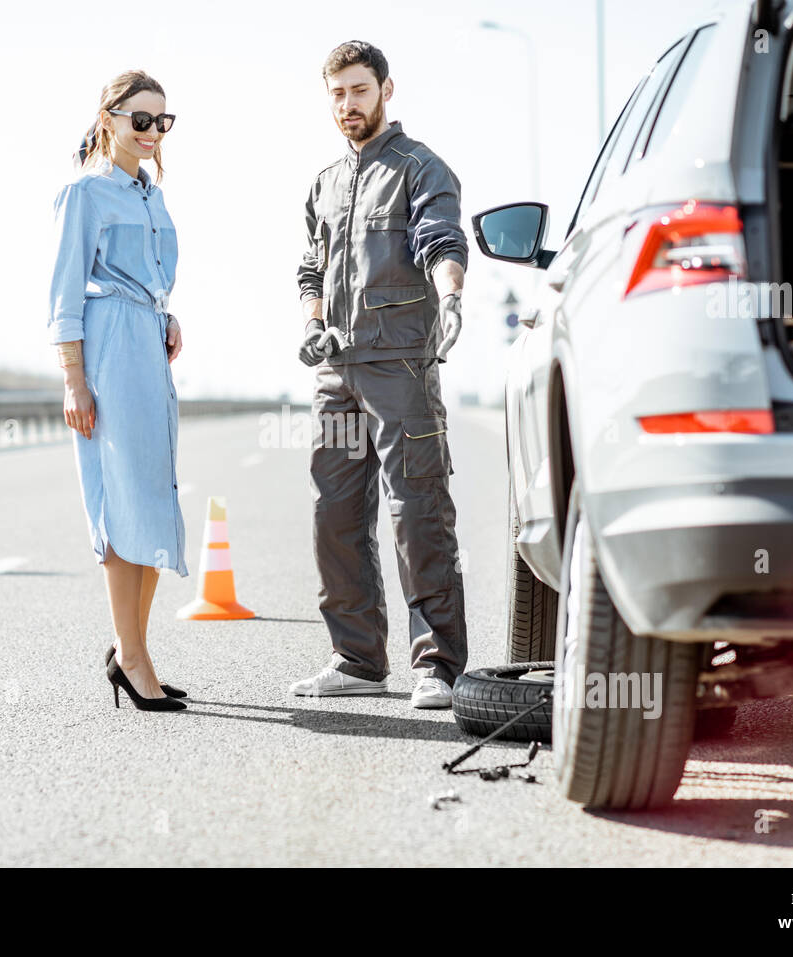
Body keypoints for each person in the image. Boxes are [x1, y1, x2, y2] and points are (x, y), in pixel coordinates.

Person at [290, 41, 469, 709]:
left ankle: (439, 664)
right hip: (336, 374)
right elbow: (310, 267)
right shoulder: (324, 182)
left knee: (416, 509)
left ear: (386, 91)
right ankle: (357, 658)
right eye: (337, 94)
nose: (348, 104)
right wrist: (312, 323)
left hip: (399, 368)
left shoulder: (421, 169)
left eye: (359, 90)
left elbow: (441, 242)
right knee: (334, 514)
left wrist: (450, 295)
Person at [48, 69, 188, 713]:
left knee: (154, 504)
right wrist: (75, 382)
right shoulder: (85, 193)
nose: (153, 132)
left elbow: (151, 275)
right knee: (120, 501)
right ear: (109, 118)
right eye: (141, 120)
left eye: (163, 121)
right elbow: (65, 297)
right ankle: (133, 659)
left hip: (149, 351)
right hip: (106, 352)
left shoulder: (151, 194)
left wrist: (168, 315)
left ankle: (129, 648)